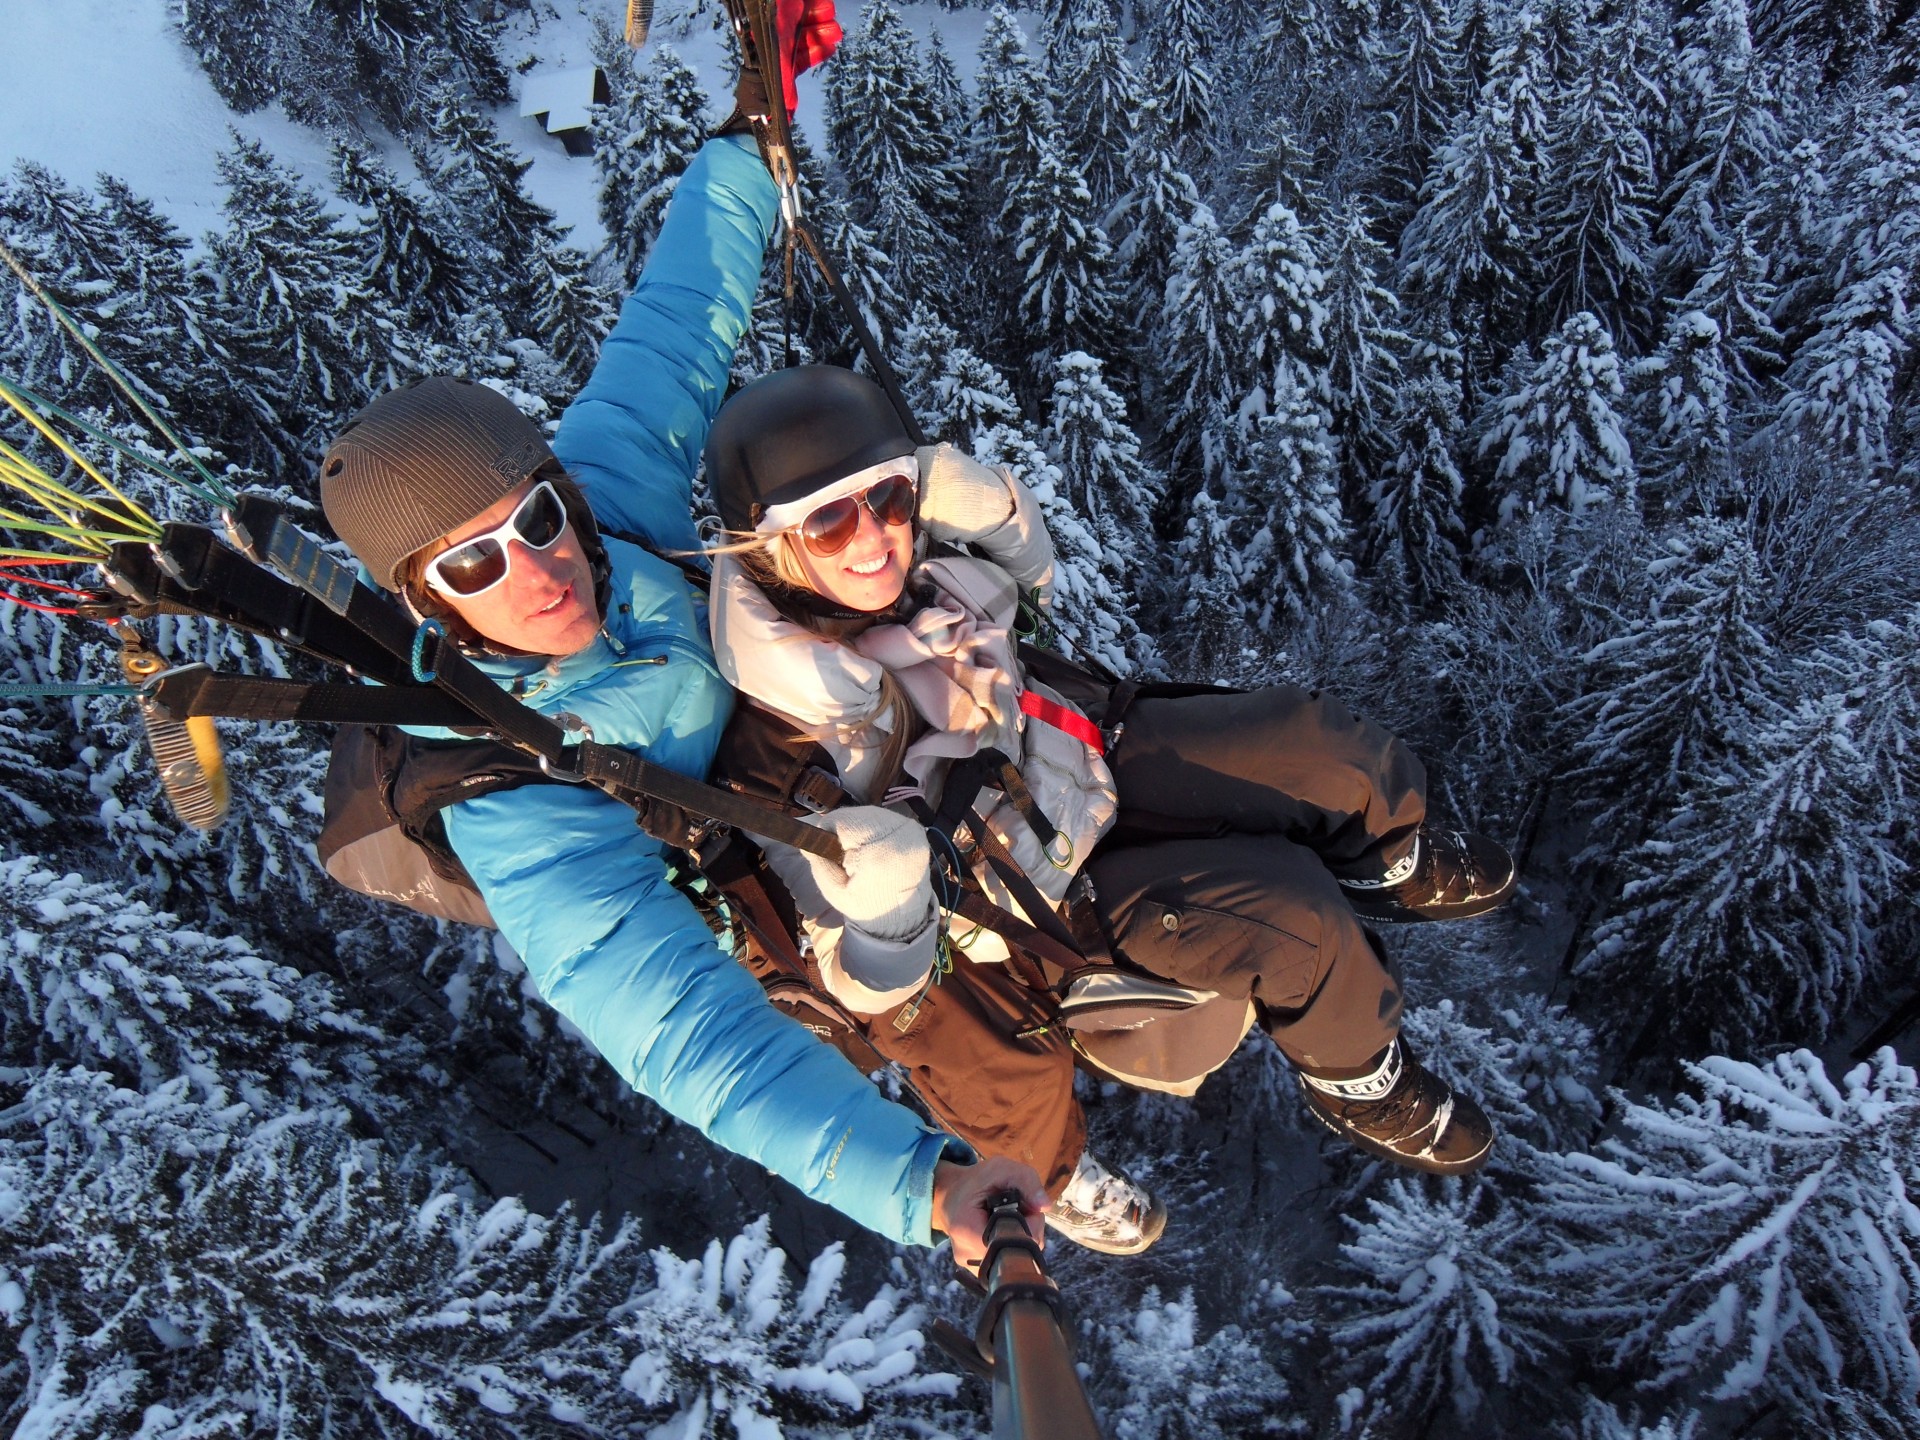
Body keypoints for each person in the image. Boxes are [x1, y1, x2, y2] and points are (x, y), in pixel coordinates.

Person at [314, 44, 1046, 1268]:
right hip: (728, 870)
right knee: (957, 1028)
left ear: (561, 490)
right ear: (429, 610)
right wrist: (919, 1190)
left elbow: (678, 320)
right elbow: (680, 1034)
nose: (538, 570)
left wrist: (747, 145)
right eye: (475, 567)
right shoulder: (511, 788)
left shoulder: (614, 502)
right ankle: (1048, 1180)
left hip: (790, 746)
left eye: (535, 520)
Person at [700, 365, 1517, 1255]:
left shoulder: (928, 576)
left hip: (1075, 757)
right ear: (766, 547)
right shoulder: (778, 750)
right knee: (1292, 923)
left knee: (1316, 746)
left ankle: (1389, 855)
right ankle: (1363, 1081)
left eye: (890, 497)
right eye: (828, 519)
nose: (874, 537)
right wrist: (891, 914)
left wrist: (997, 515)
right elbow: (864, 989)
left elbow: (1029, 586)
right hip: (1034, 902)